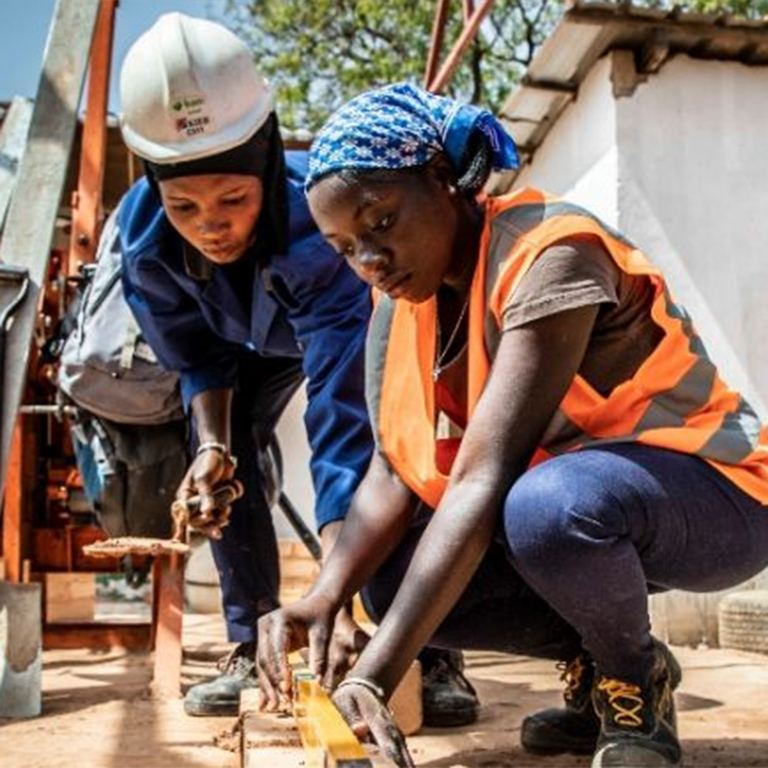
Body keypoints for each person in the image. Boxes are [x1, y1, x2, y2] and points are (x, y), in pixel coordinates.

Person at [256, 82, 768, 768]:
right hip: (589, 506)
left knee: (544, 507)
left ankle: (633, 689)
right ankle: (601, 663)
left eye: (380, 222)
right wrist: (325, 595)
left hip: (721, 495)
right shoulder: (402, 308)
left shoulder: (548, 253)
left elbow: (483, 475)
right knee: (390, 577)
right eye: (345, 246)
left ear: (443, 180)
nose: (369, 261)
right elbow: (392, 468)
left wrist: (371, 678)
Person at [116, 15, 479, 723]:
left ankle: (431, 652)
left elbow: (342, 412)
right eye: (183, 205)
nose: (210, 225)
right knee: (220, 456)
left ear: (264, 163)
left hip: (336, 337)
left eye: (232, 200)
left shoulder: (324, 229)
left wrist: (333, 588)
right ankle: (256, 644)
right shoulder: (145, 246)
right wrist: (216, 447)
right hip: (244, 355)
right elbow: (197, 360)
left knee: (404, 440)